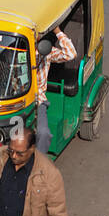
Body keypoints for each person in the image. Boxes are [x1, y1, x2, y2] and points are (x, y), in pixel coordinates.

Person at [33, 25, 77, 154]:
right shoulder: (14, 51)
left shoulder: (46, 52)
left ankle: (39, 163)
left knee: (44, 133)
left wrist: (57, 31)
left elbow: (70, 54)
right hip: (15, 100)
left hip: (37, 100)